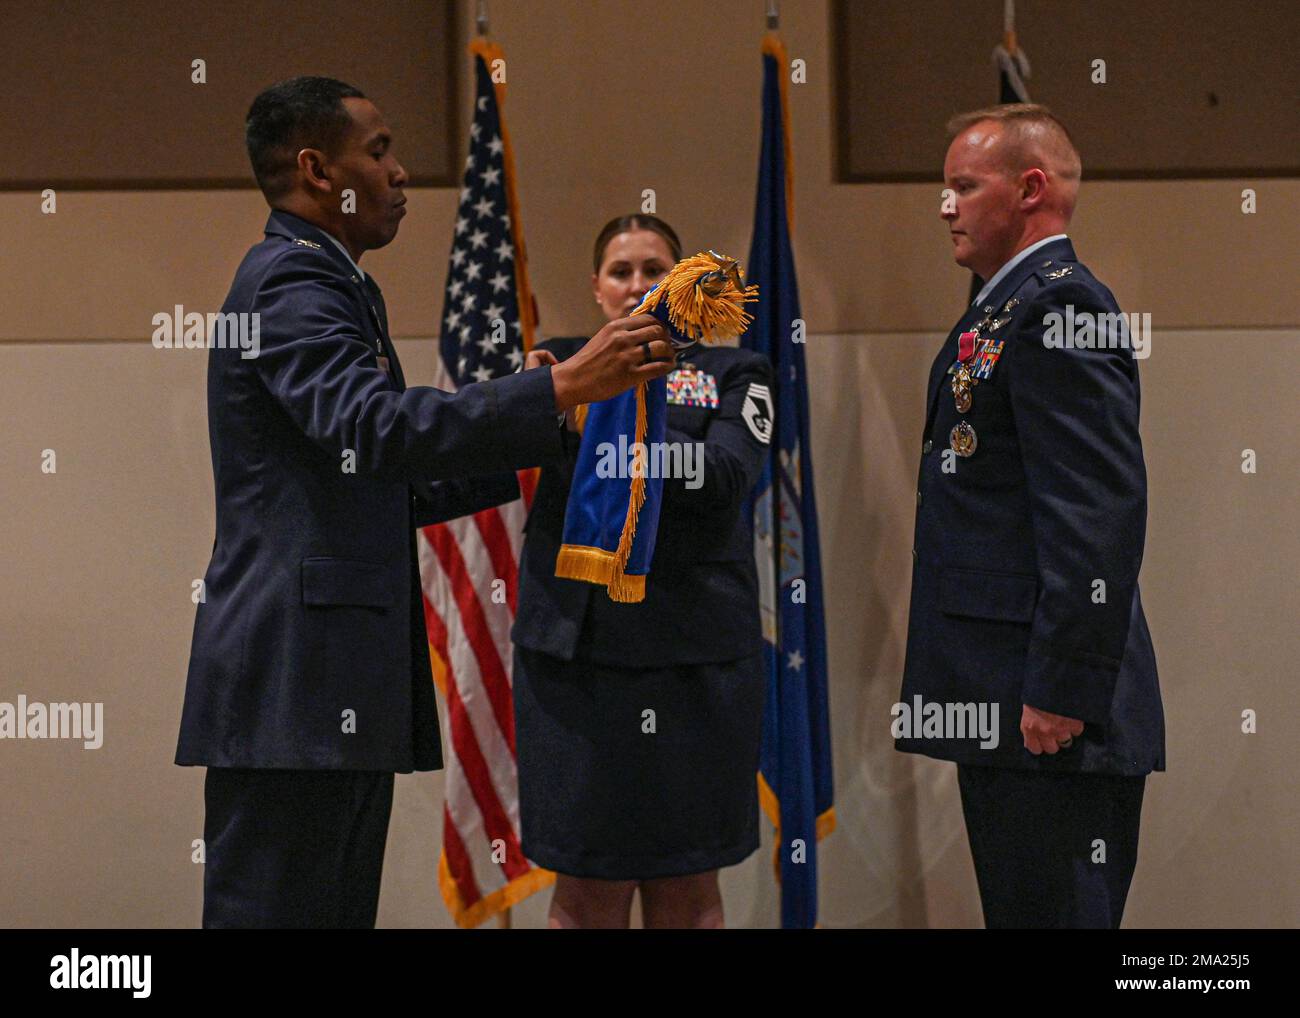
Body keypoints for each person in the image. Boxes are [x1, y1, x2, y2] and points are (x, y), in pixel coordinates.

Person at [174, 78, 673, 928]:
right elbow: (370, 429)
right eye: (378, 152)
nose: (401, 173)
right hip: (295, 686)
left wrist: (552, 420)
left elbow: (381, 476)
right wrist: (554, 386)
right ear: (315, 169)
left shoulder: (335, 282)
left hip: (324, 686)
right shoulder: (292, 280)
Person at [895, 104, 1165, 928]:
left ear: (1031, 189)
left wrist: (1061, 688)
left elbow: (1095, 514)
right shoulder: (1003, 307)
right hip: (1005, 699)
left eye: (964, 187)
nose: (946, 206)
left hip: (1051, 714)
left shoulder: (1058, 310)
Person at [511, 214, 775, 929]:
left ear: (683, 285)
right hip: (577, 665)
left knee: (687, 890)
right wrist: (566, 400)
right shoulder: (551, 369)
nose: (636, 285)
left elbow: (724, 476)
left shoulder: (735, 372)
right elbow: (485, 450)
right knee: (586, 890)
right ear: (596, 287)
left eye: (654, 269)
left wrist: (594, 425)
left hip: (694, 668)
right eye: (620, 271)